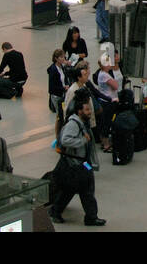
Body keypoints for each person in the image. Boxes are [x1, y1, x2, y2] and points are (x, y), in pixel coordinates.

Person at [50, 92, 105, 226]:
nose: (89, 112)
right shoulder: (74, 124)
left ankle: (91, 216)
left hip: (84, 163)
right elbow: (65, 140)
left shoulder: (82, 123)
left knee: (87, 188)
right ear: (79, 110)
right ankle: (56, 211)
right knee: (71, 189)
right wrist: (82, 141)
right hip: (74, 164)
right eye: (87, 109)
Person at [110, 90, 140, 166]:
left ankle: (118, 158)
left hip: (118, 133)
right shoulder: (130, 109)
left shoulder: (117, 108)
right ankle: (123, 157)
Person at [47, 49, 69, 122]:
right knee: (59, 115)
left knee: (63, 113)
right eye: (61, 57)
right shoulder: (53, 70)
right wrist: (63, 88)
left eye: (64, 57)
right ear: (56, 58)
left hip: (62, 94)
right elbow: (52, 87)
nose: (63, 59)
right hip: (56, 96)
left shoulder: (61, 67)